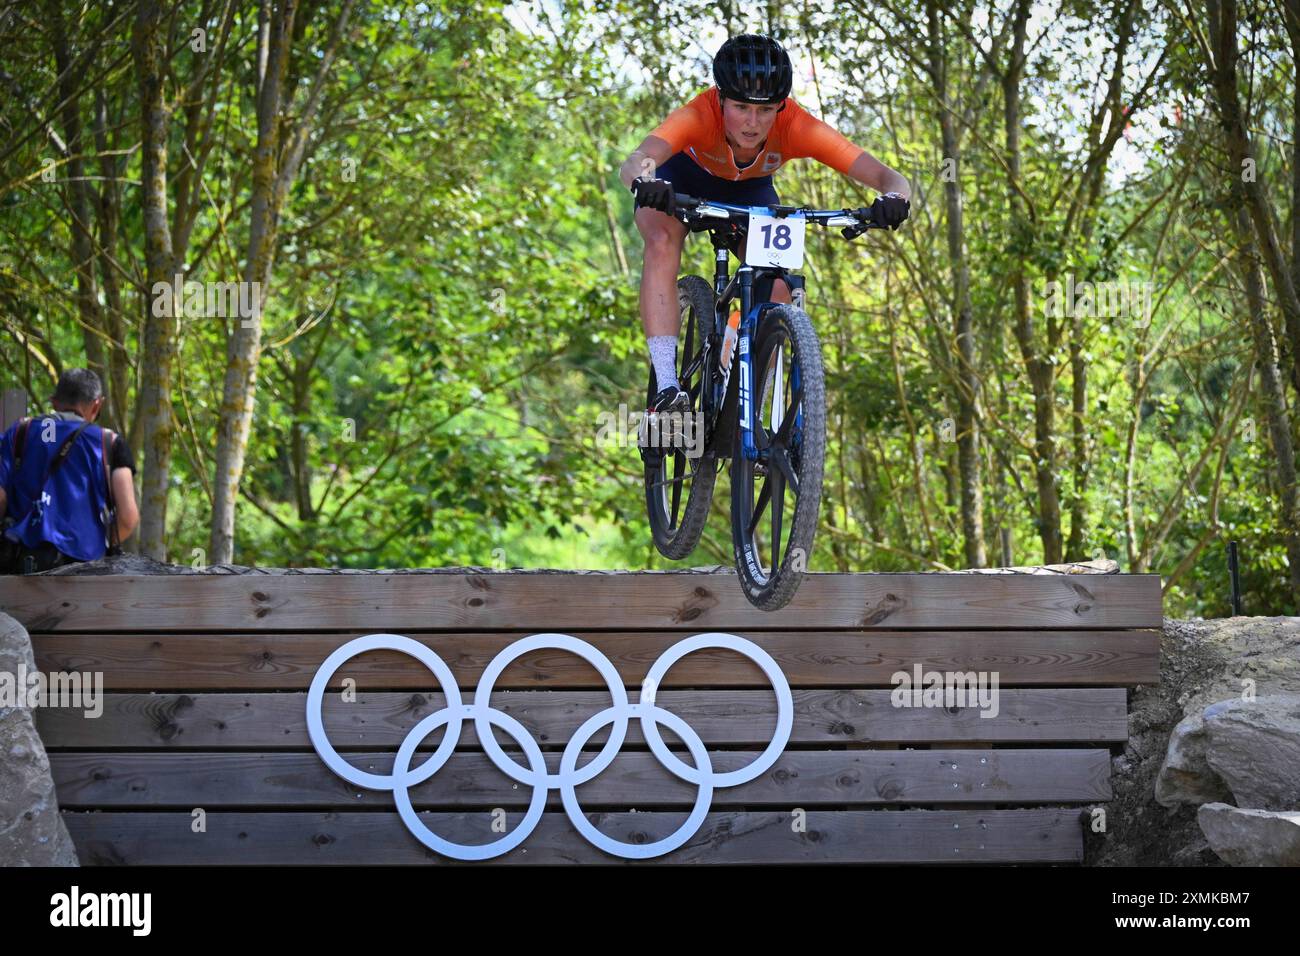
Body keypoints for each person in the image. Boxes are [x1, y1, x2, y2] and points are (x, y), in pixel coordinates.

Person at [620, 33, 911, 419]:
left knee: (776, 286)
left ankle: (749, 408)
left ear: (782, 107)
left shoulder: (797, 125)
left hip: (750, 192)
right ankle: (668, 387)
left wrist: (895, 200)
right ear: (721, 98)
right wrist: (645, 182)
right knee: (660, 239)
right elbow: (639, 157)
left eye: (766, 110)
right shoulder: (698, 114)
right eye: (741, 107)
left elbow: (887, 176)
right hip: (680, 180)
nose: (753, 123)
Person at [0, 368, 139, 573]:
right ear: (97, 405)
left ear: (54, 402)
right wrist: (97, 544)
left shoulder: (19, 432)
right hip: (85, 573)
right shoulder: (109, 443)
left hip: (21, 566)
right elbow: (128, 517)